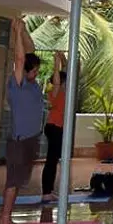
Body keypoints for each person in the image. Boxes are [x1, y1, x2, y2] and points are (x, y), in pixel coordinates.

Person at [0, 18, 44, 224]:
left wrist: (24, 30)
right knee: (12, 181)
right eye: (34, 71)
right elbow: (19, 58)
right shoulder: (18, 84)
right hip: (19, 141)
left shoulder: (31, 83)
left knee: (17, 182)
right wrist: (16, 33)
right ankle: (4, 219)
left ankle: (8, 218)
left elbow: (29, 50)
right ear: (25, 72)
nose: (36, 74)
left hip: (30, 139)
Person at [41, 50, 67, 203]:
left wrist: (62, 58)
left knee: (54, 160)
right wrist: (56, 63)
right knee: (51, 161)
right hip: (54, 127)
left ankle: (48, 191)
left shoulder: (64, 92)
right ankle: (46, 192)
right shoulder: (56, 92)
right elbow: (57, 79)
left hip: (57, 127)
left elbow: (66, 71)